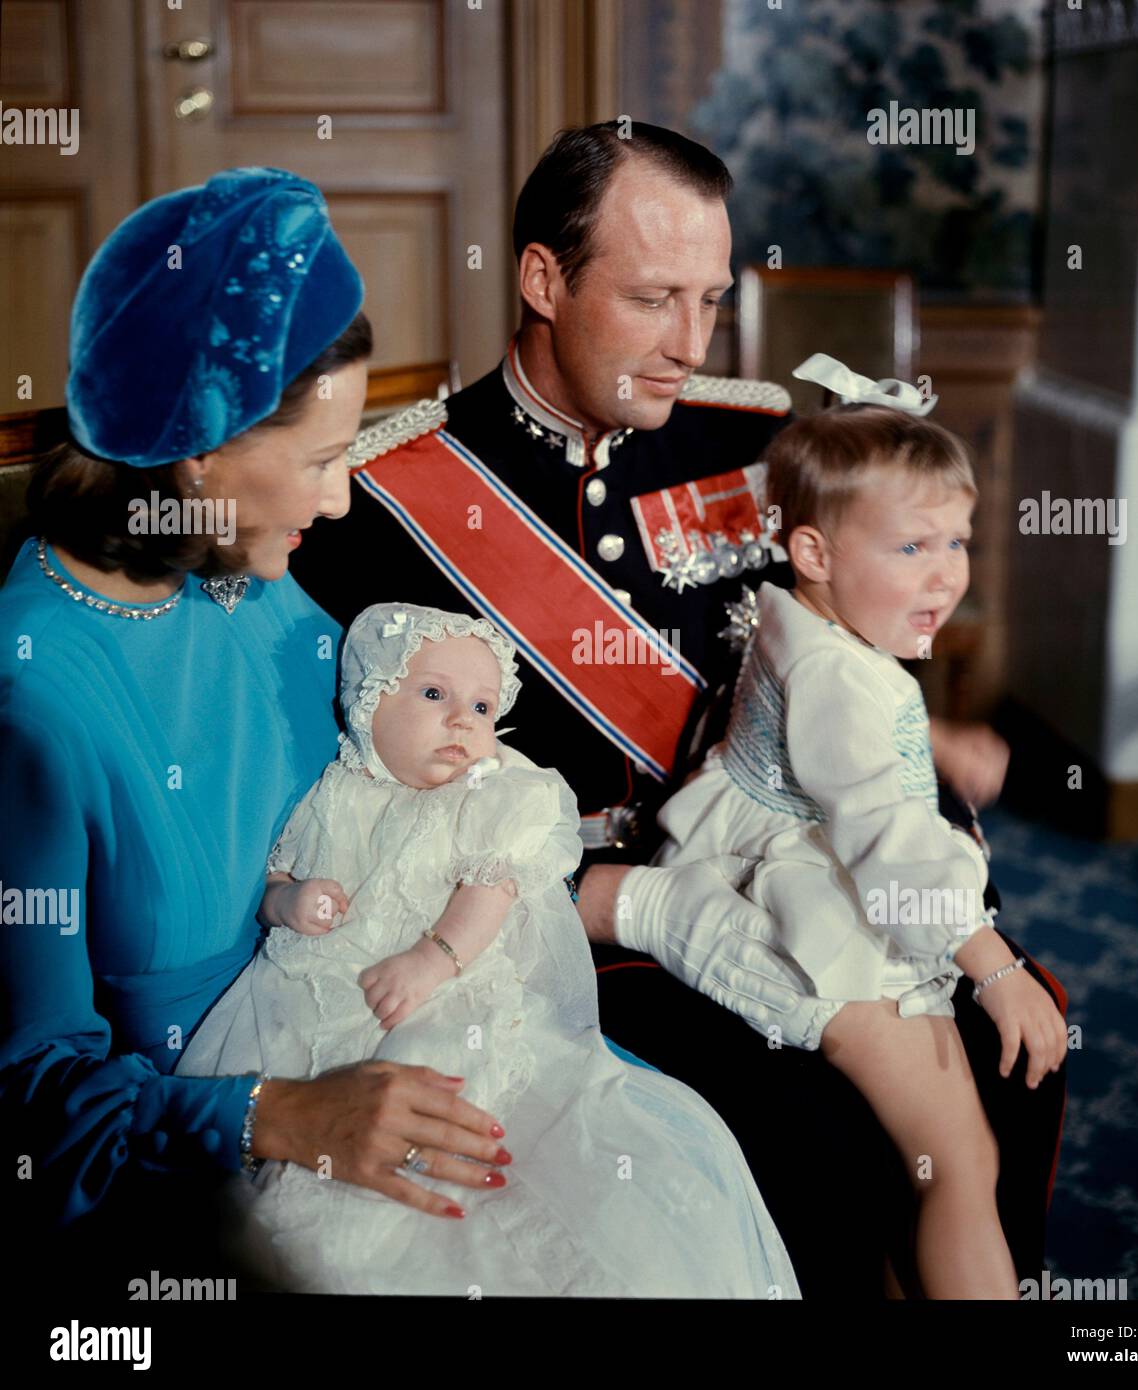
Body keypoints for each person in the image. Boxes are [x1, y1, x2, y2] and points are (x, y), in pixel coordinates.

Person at [290, 121, 1068, 1298]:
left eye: (708, 297)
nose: (688, 346)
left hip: (801, 850)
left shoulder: (756, 440)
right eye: (653, 299)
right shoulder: (388, 505)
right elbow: (370, 791)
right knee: (797, 1126)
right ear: (543, 280)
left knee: (1011, 1042)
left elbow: (836, 660)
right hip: (584, 926)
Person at [0, 169, 514, 1279]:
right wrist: (280, 1118)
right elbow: (32, 1099)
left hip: (379, 1029)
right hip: (189, 1162)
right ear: (200, 454)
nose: (338, 504)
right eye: (325, 461)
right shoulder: (35, 700)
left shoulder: (257, 591)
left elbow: (414, 784)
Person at [176, 602, 799, 1297]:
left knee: (479, 1121)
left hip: (441, 998)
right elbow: (278, 878)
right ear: (368, 698)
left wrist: (434, 957)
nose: (462, 722)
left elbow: (490, 888)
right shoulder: (331, 794)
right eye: (434, 695)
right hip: (310, 995)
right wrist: (291, 902)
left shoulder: (486, 795)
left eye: (480, 705)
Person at [652, 360, 1068, 1298]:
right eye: (913, 548)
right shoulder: (845, 678)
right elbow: (885, 841)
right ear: (816, 553)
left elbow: (834, 741)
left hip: (760, 843)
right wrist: (991, 966)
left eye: (956, 542)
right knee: (961, 1163)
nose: (948, 573)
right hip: (808, 899)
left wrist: (931, 737)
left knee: (935, 1165)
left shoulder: (809, 621)